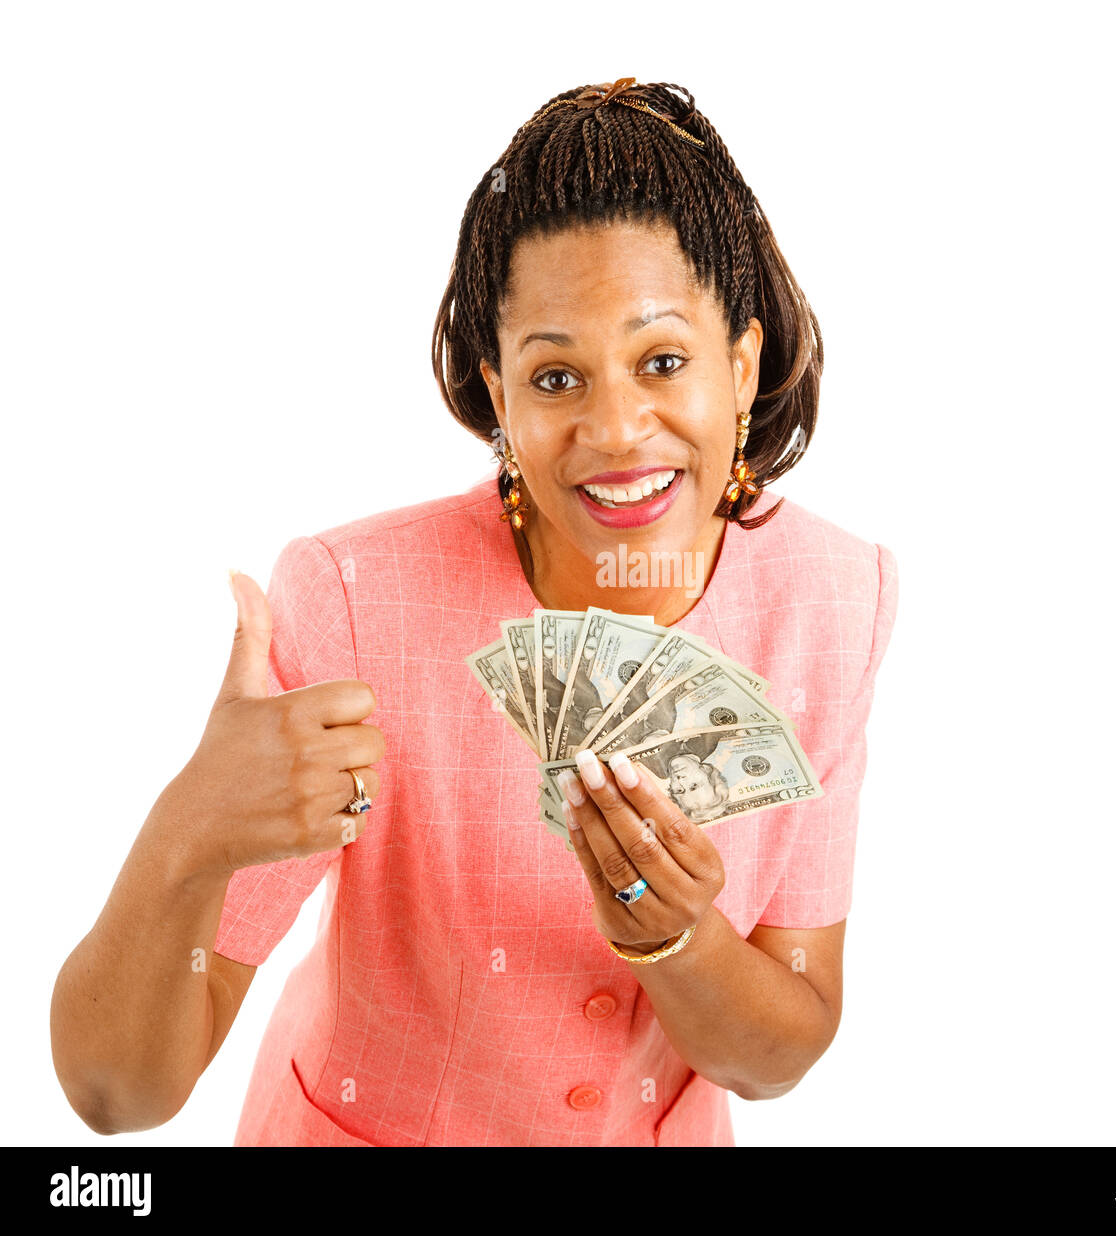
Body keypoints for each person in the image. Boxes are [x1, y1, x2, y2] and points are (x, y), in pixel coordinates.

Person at [50, 77, 899, 1146]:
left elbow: (775, 1058)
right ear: (499, 396)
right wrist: (185, 834)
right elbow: (117, 1096)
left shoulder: (835, 597)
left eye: (663, 361)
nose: (616, 428)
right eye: (555, 378)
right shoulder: (358, 603)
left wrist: (681, 938)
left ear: (742, 364)